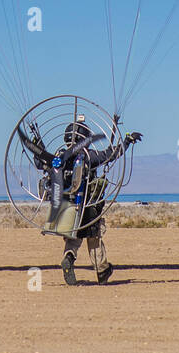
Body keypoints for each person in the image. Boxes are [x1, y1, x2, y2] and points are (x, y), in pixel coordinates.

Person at [16, 115, 142, 285]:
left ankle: (68, 257)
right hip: (89, 205)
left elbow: (41, 163)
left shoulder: (59, 157)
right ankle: (102, 271)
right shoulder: (89, 156)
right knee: (94, 237)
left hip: (67, 205)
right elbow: (111, 154)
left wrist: (37, 146)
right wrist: (127, 141)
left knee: (73, 236)